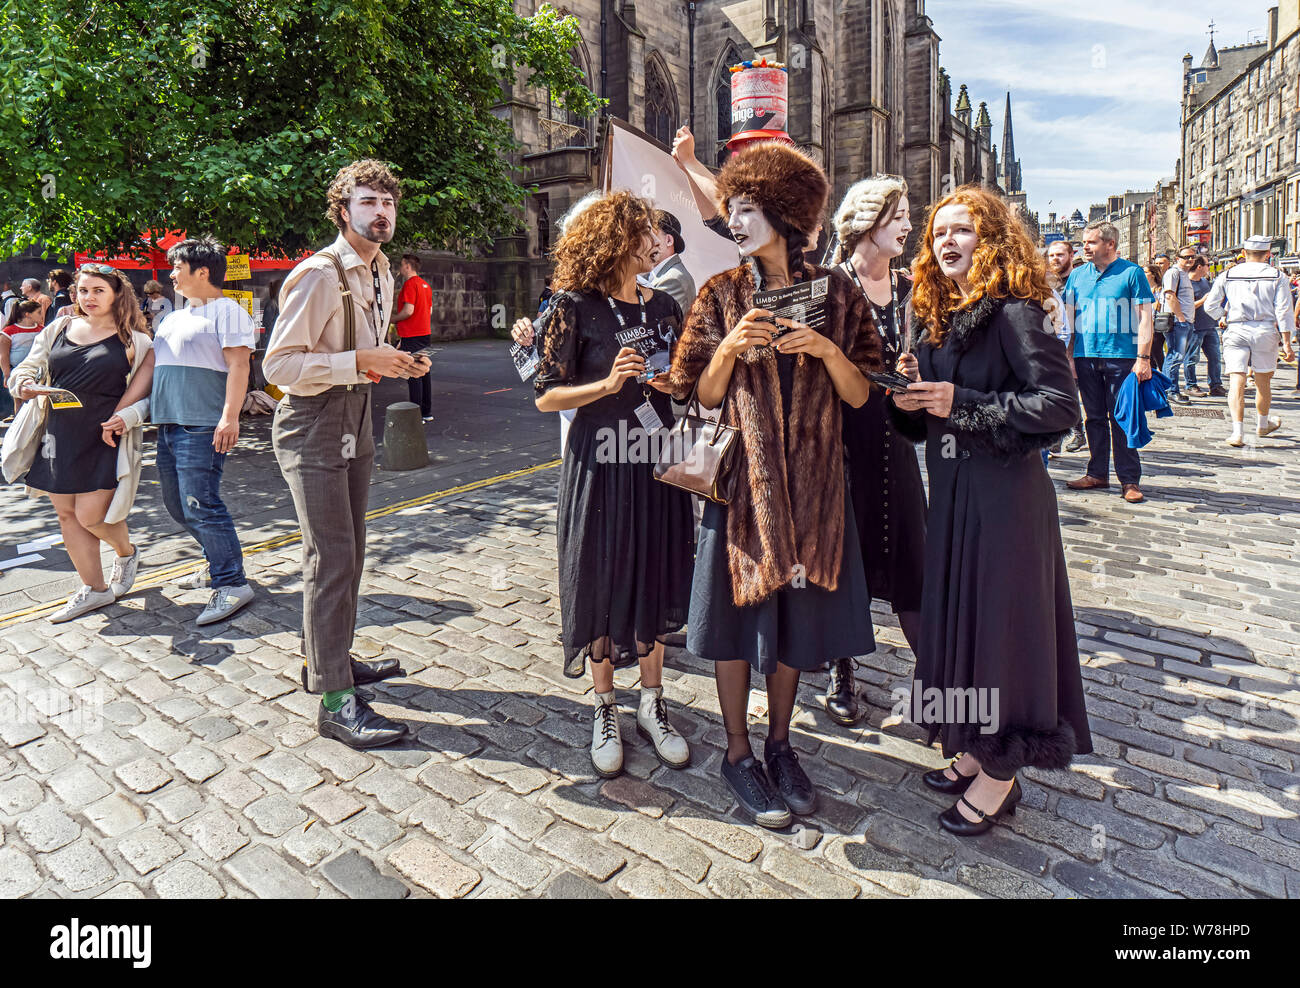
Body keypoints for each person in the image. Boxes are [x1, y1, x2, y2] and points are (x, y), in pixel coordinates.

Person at [668, 142, 882, 829]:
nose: (734, 220)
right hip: (740, 492)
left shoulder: (839, 294)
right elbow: (698, 397)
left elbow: (860, 395)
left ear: (784, 214)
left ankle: (780, 744)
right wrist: (729, 347)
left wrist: (822, 349)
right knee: (734, 625)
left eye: (748, 209)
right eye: (729, 208)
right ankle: (738, 753)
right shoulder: (720, 294)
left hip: (815, 489)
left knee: (794, 624)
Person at [889, 185, 1091, 836]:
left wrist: (961, 403)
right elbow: (927, 424)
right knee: (965, 629)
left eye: (962, 230)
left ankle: (1002, 773)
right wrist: (906, 395)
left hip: (1006, 503)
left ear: (991, 240)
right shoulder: (940, 317)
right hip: (952, 500)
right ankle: (976, 745)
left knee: (1004, 635)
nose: (946, 241)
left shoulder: (1015, 312)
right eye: (938, 232)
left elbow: (1060, 408)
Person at [264, 159, 430, 749]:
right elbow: (278, 368)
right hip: (312, 420)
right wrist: (361, 362)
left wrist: (396, 361)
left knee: (351, 551)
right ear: (343, 210)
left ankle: (327, 661)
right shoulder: (317, 274)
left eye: (387, 201)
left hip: (355, 413)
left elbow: (366, 348)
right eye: (368, 201)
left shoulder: (380, 270)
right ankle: (335, 702)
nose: (381, 211)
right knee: (331, 557)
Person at [534, 189, 696, 779]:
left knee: (652, 575)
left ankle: (653, 703)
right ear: (615, 242)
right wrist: (605, 385)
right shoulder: (573, 306)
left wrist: (674, 383)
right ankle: (604, 707)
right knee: (601, 581)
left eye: (653, 233)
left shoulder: (664, 310)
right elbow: (547, 394)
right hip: (599, 464)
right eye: (642, 233)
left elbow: (683, 385)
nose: (652, 242)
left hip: (655, 460)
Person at [823, 175, 926, 726]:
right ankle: (842, 667)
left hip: (897, 439)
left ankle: (932, 671)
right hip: (843, 439)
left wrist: (915, 372)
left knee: (912, 552)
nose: (909, 226)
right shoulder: (832, 286)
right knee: (847, 558)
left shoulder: (912, 289)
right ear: (866, 222)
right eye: (899, 216)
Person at [7, 265, 154, 622]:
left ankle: (126, 551)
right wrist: (23, 384)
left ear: (117, 294)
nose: (89, 298)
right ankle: (94, 589)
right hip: (58, 432)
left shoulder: (136, 341)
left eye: (98, 290)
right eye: (83, 290)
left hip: (104, 434)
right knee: (66, 514)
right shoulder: (58, 328)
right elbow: (26, 368)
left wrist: (126, 417)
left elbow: (147, 397)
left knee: (92, 516)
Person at [152, 237, 257, 625]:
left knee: (202, 504)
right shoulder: (174, 316)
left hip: (202, 424)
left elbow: (239, 368)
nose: (171, 273)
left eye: (177, 267)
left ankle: (231, 584)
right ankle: (219, 563)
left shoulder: (229, 312)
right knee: (178, 506)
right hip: (169, 422)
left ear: (203, 271)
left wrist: (230, 418)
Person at [1064, 221, 1155, 504]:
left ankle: (1129, 479)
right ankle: (1097, 472)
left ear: (1109, 244)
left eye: (1090, 242)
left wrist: (1143, 358)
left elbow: (1145, 318)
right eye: (1084, 242)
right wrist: (1067, 357)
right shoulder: (1077, 275)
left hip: (1123, 357)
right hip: (1085, 355)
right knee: (1093, 418)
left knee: (1121, 419)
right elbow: (1068, 320)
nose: (1084, 247)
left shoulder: (1132, 273)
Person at [1205, 234, 1297, 446]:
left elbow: (1210, 305)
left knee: (1237, 379)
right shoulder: (1277, 276)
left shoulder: (1228, 275)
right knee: (1263, 381)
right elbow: (1284, 311)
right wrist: (1288, 342)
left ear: (1244, 253)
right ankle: (1263, 424)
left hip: (1236, 328)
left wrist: (1224, 317)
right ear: (1267, 254)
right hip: (1265, 329)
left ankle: (1237, 432)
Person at [1046, 240, 1086, 453]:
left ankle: (1077, 434)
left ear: (1071, 255)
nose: (1055, 259)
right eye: (1051, 255)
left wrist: (1070, 352)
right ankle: (1057, 438)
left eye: (1060, 255)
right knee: (1058, 393)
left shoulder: (1079, 280)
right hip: (1052, 345)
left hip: (1077, 344)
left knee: (1071, 393)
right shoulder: (1047, 282)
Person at [389, 253, 434, 420]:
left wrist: (391, 319)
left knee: (413, 373)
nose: (400, 268)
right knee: (424, 370)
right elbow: (429, 311)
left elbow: (408, 311)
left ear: (408, 266)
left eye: (401, 265)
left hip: (412, 334)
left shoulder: (409, 285)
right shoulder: (426, 286)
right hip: (424, 333)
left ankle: (416, 414)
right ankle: (426, 412)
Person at [641, 209, 697, 314]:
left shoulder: (673, 279)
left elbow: (654, 322)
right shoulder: (656, 274)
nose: (645, 242)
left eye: (652, 235)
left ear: (669, 241)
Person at [1159, 247, 1196, 404]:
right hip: (1177, 322)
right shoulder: (1173, 273)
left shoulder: (1184, 274)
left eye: (1192, 257)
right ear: (1177, 258)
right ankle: (1171, 390)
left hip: (1185, 321)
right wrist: (1180, 318)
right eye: (1186, 257)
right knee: (1175, 356)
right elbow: (1169, 295)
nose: (1190, 260)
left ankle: (1169, 390)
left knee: (1175, 356)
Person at [1185, 255, 1225, 397]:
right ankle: (1191, 385)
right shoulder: (1186, 283)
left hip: (1209, 326)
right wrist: (1203, 300)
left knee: (1215, 357)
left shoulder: (1205, 282)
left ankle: (1215, 385)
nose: (1209, 267)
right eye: (1208, 265)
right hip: (1195, 327)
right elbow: (1186, 307)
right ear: (1200, 267)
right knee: (1192, 358)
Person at [2, 300, 45, 419]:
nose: (42, 315)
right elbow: (3, 355)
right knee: (19, 398)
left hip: (37, 370)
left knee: (37, 398)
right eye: (39, 312)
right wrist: (7, 374)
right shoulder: (9, 331)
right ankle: (19, 422)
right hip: (16, 370)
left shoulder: (42, 330)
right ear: (28, 314)